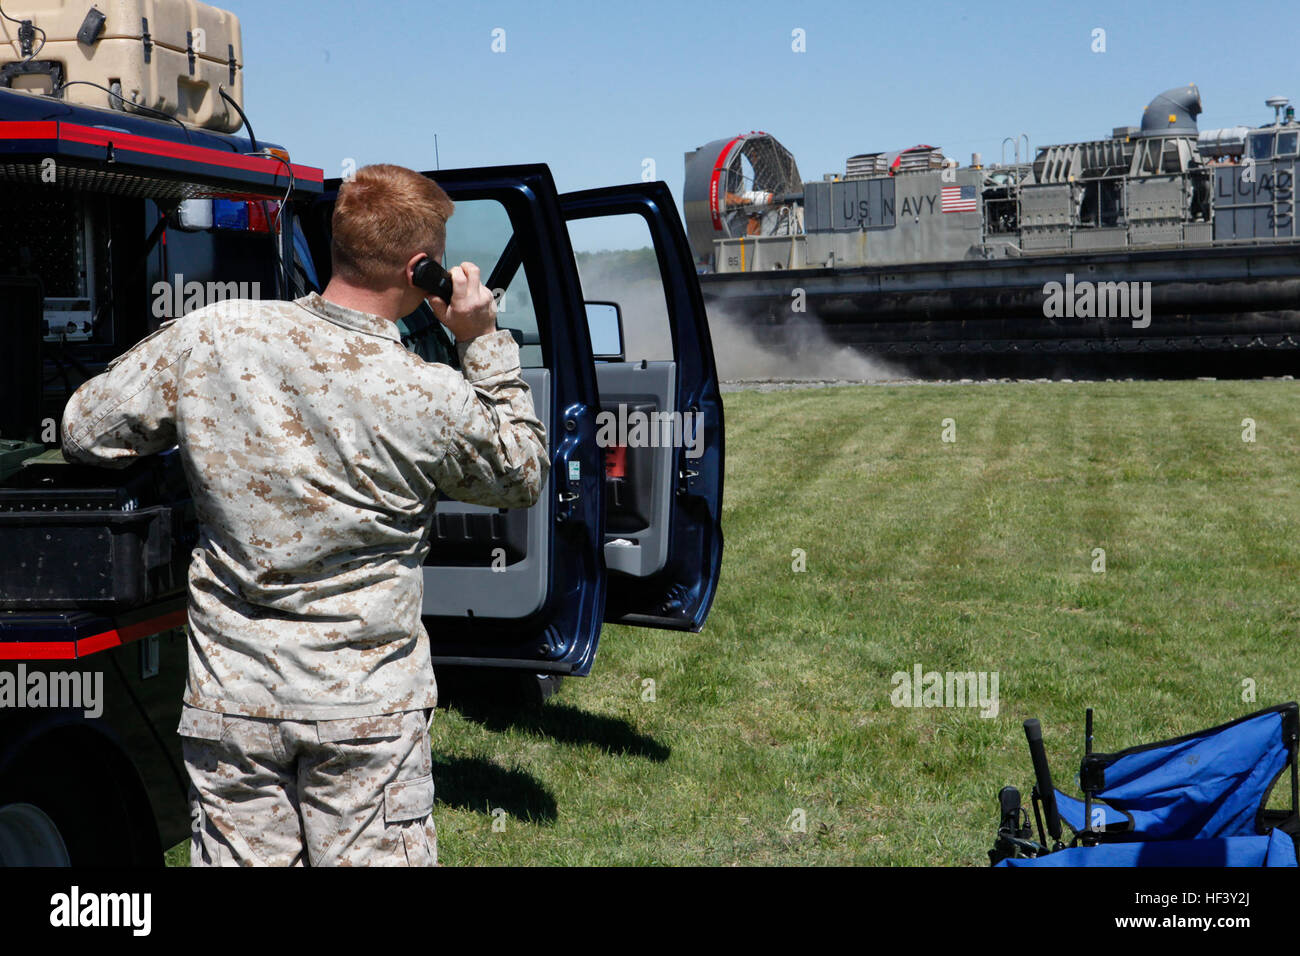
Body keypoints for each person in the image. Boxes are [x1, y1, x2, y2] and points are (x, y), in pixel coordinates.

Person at [61, 163, 548, 866]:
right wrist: (481, 341)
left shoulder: (215, 335)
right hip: (368, 709)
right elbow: (523, 472)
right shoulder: (429, 393)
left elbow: (84, 430)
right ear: (422, 271)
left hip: (235, 700)